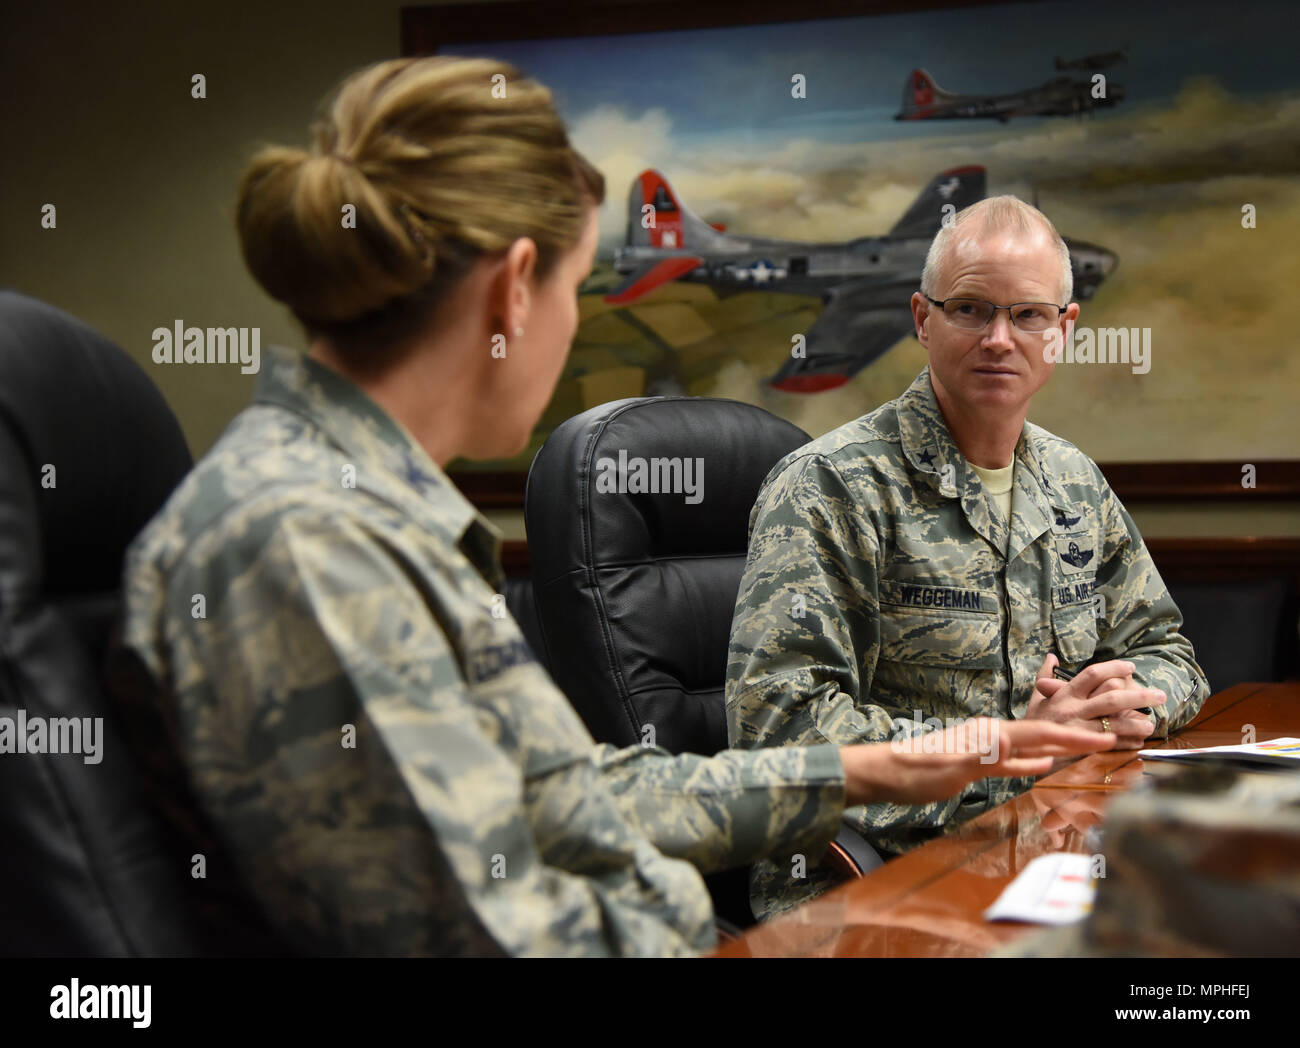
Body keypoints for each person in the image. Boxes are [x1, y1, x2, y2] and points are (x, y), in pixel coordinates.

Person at [113, 57, 1111, 957]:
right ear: (515, 289)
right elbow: (484, 931)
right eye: (574, 283)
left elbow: (561, 794)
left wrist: (874, 767)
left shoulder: (359, 512)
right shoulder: (310, 545)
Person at [726, 195, 1209, 919]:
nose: (999, 340)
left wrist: (1112, 710)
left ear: (1063, 331)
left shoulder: (1074, 482)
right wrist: (1012, 749)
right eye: (971, 310)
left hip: (1051, 857)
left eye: (1029, 315)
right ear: (923, 319)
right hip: (875, 893)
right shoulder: (830, 486)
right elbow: (781, 734)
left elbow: (1167, 652)